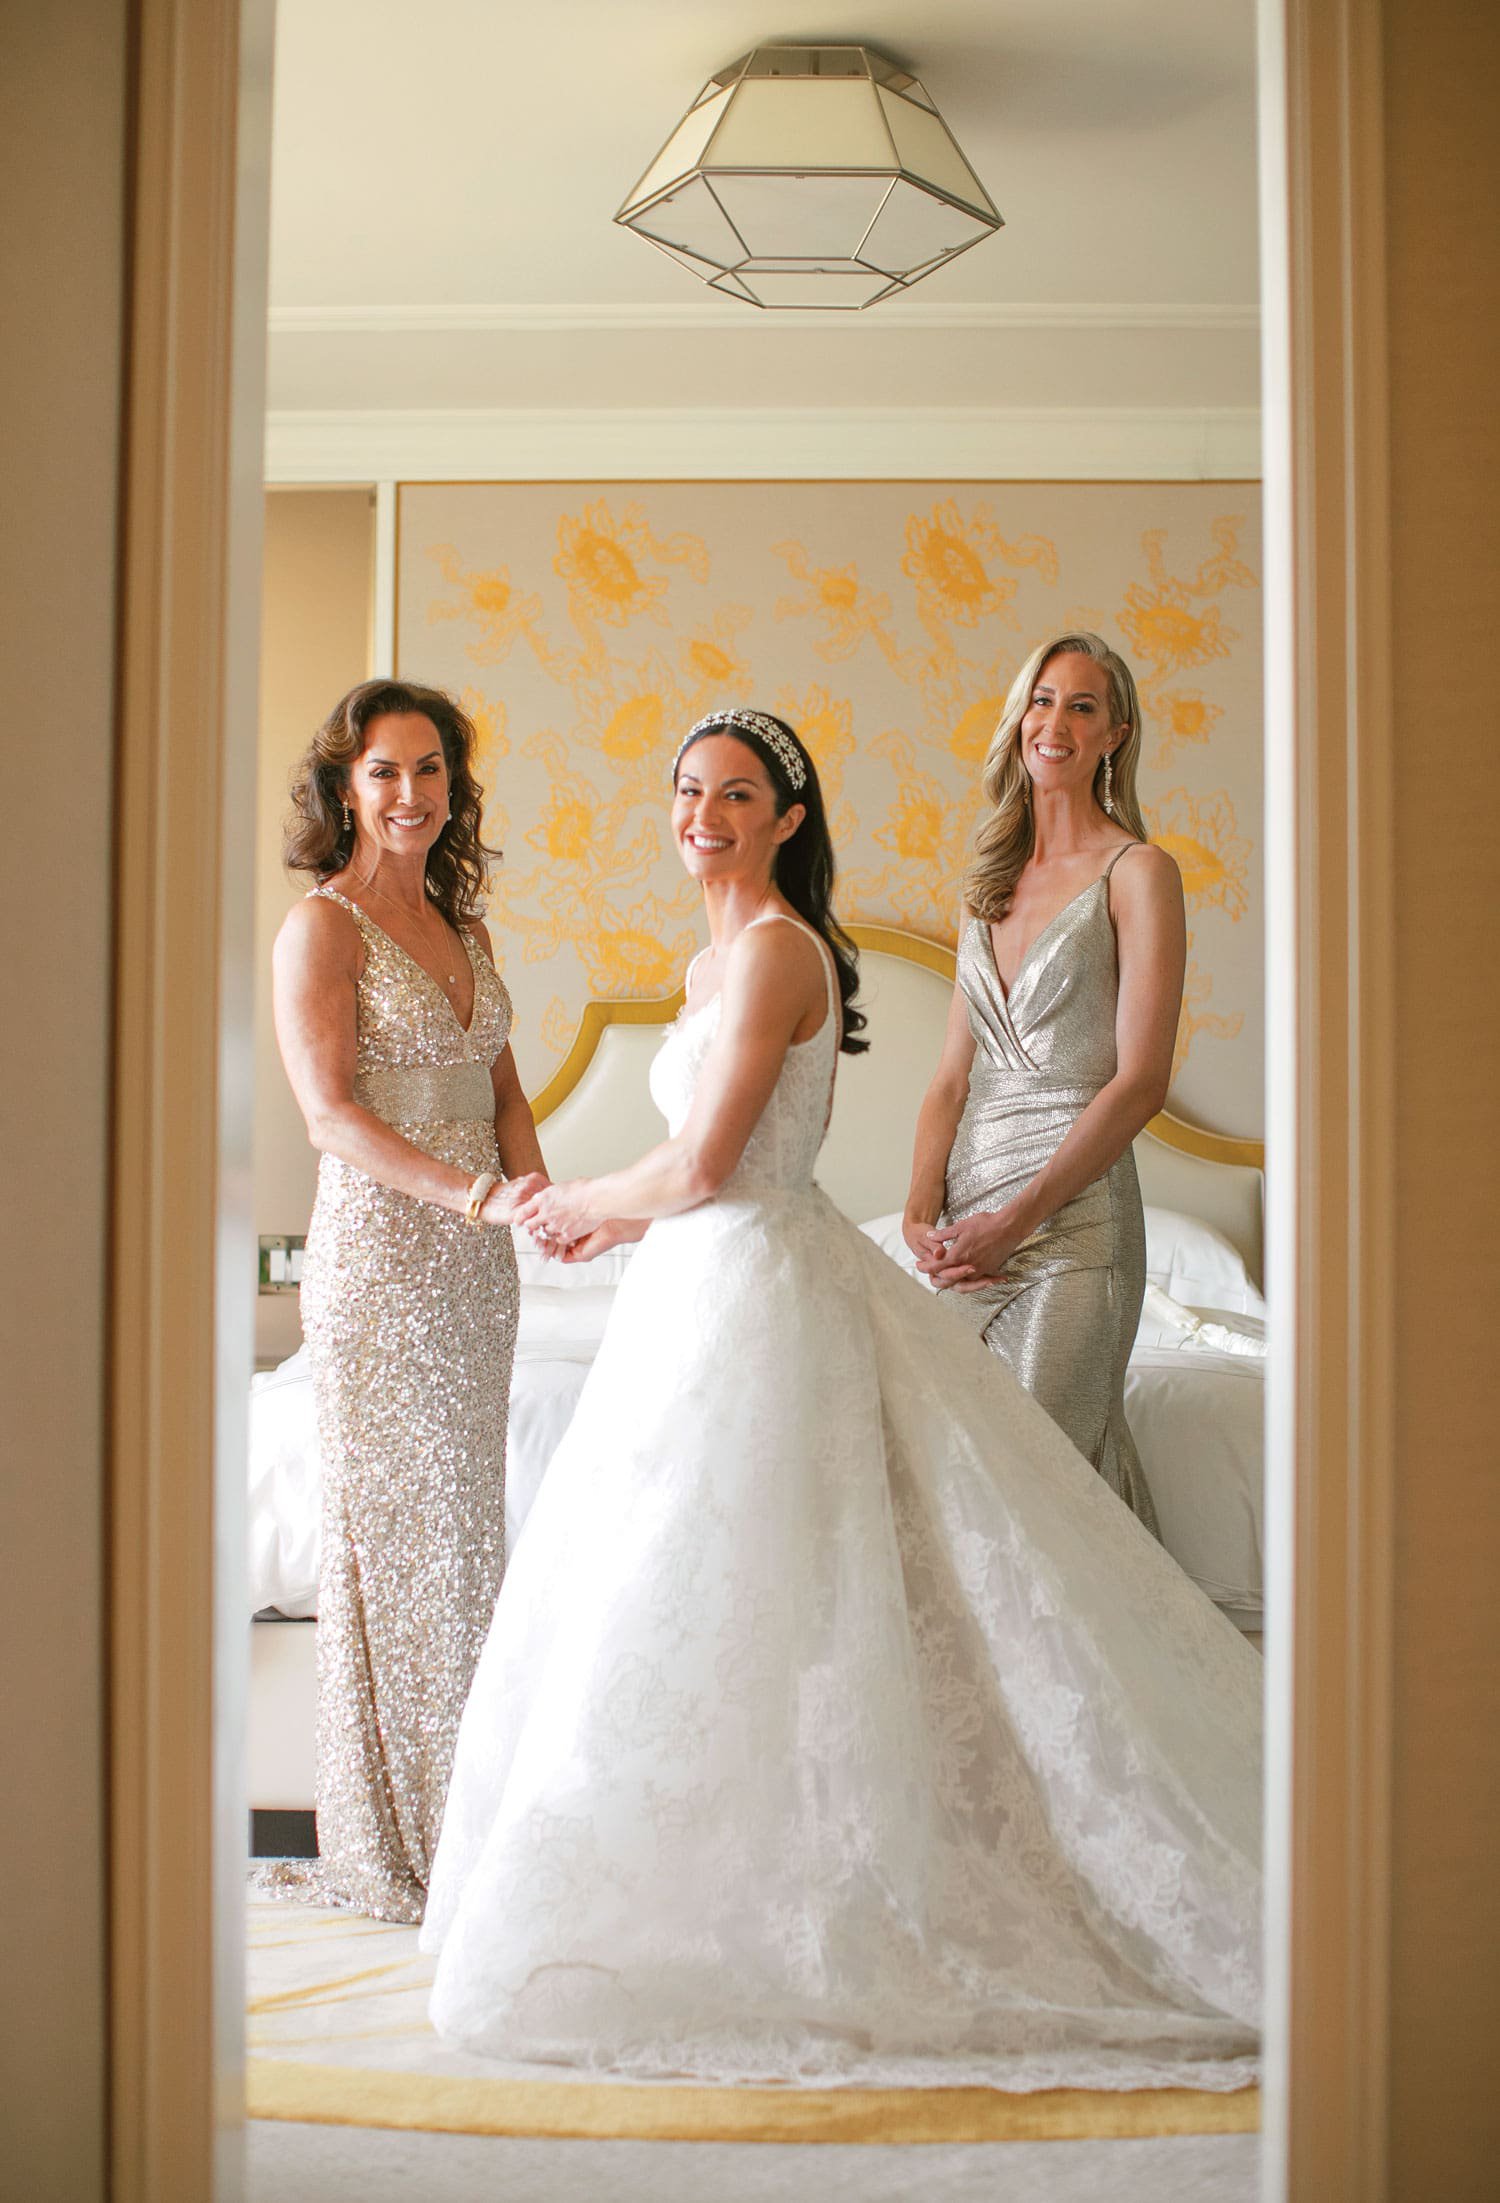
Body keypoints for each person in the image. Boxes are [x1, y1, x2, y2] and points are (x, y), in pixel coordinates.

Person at [419, 706, 1260, 2092]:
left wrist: (582, 1202)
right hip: (694, 1289)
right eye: (689, 789)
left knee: (765, 1580)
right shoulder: (710, 963)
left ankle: (814, 1905)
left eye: (738, 794)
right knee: (675, 1585)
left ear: (787, 819)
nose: (704, 812)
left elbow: (704, 1167)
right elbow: (681, 1165)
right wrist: (608, 1221)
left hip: (751, 1288)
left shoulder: (776, 953)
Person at [268, 677, 547, 1923]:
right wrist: (473, 1197)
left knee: (465, 1541)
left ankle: (475, 1814)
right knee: (403, 1548)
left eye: (431, 770)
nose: (410, 794)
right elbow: (332, 1114)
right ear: (344, 787)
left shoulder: (467, 932)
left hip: (478, 1275)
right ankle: (407, 1841)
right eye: (384, 771)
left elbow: (505, 1095)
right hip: (383, 1260)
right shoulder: (321, 930)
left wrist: (538, 1202)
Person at [903, 632, 1184, 1534]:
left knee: (1026, 1492)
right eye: (1040, 699)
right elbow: (951, 1077)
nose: (1053, 721)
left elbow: (1139, 1083)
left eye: (1081, 705)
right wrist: (920, 1214)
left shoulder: (1140, 874)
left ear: (1116, 735)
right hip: (966, 1230)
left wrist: (1015, 1220)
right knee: (936, 1475)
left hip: (1075, 1231)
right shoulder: (985, 885)